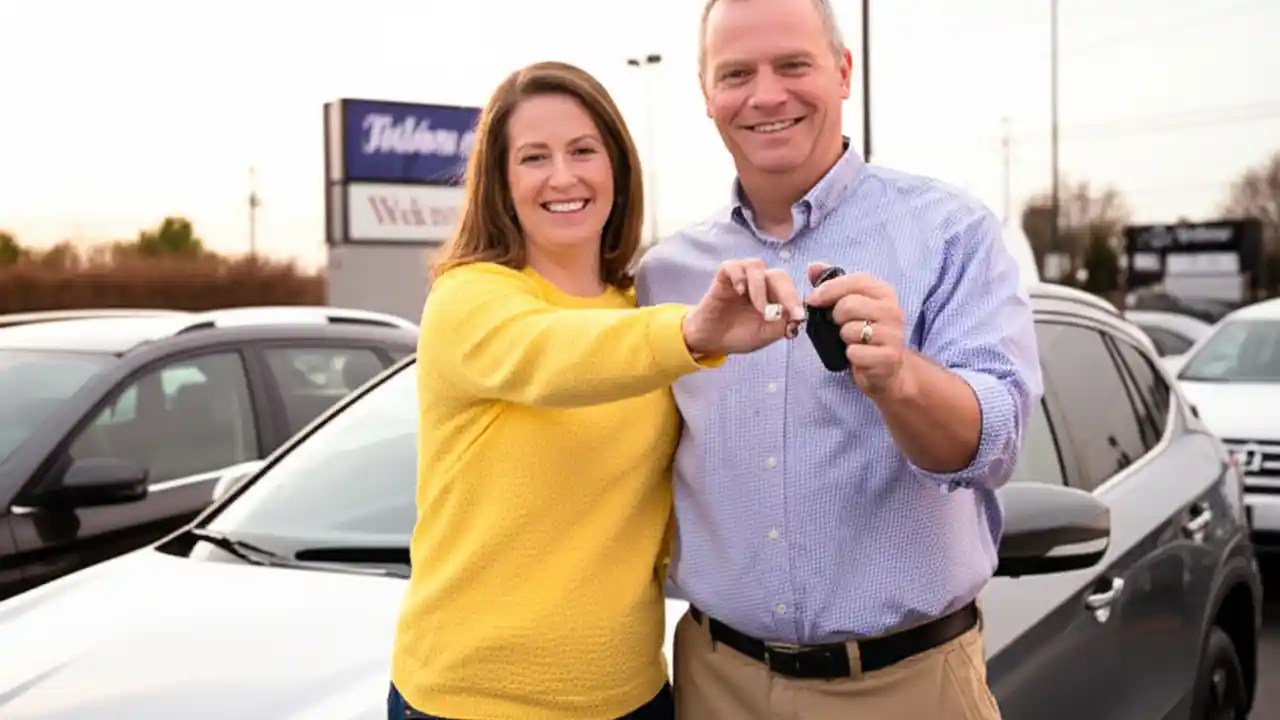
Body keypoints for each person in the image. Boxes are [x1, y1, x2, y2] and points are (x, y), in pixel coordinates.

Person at [634, 0, 1044, 718]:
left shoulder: (951, 233)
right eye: (736, 73)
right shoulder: (665, 278)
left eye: (792, 65)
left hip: (906, 688)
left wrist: (899, 377)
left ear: (843, 72)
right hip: (714, 684)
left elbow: (994, 445)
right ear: (706, 95)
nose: (766, 95)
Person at [386, 60, 809, 720]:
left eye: (583, 150)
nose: (563, 176)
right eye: (533, 157)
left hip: (632, 695)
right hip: (475, 702)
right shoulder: (468, 299)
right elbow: (557, 359)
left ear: (616, 165)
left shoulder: (640, 307)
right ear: (500, 183)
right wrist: (695, 332)